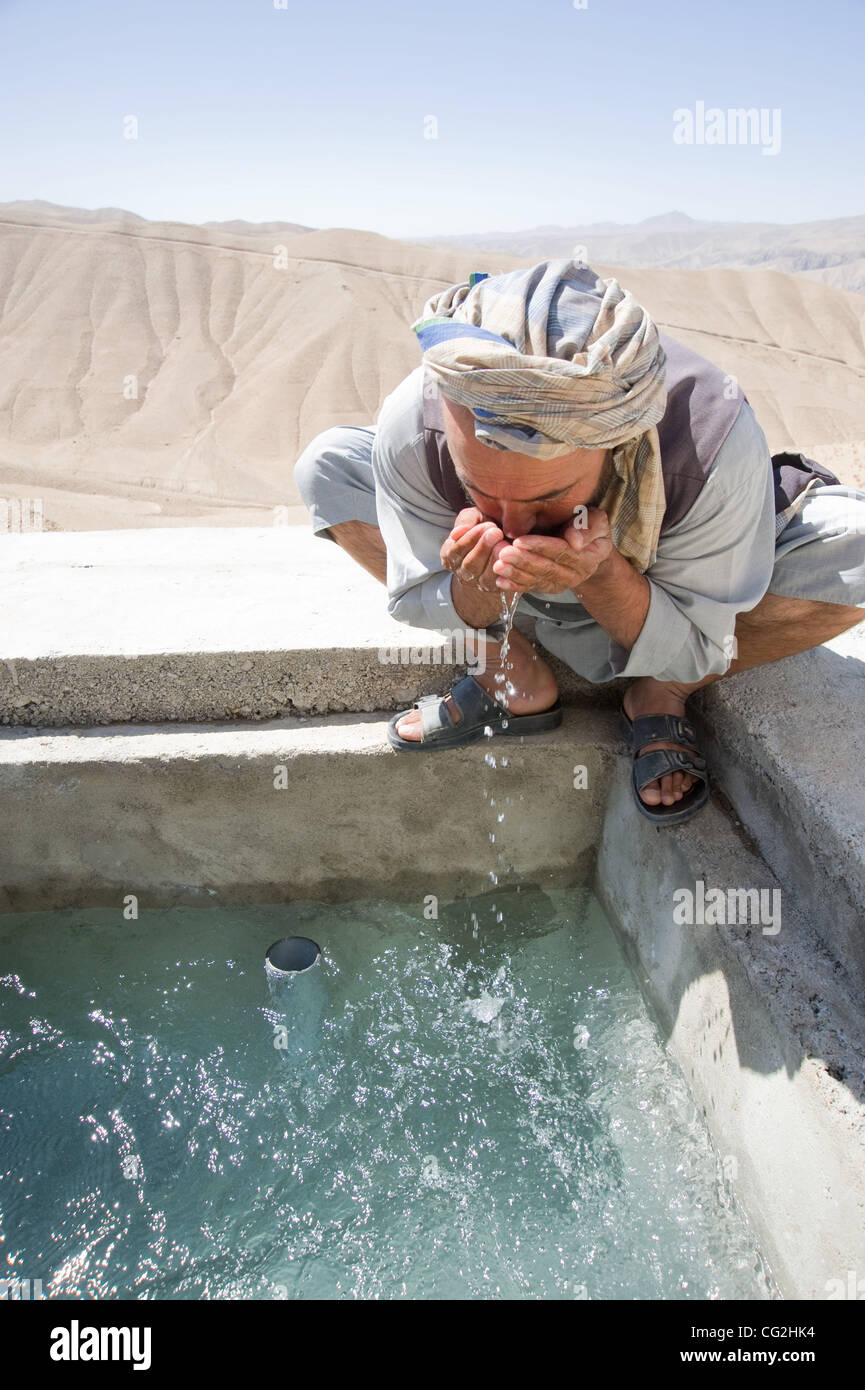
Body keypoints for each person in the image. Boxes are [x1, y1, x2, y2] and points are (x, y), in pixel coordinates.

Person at [295, 260, 865, 825]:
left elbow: (700, 642)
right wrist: (474, 587)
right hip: (516, 610)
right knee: (329, 465)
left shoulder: (713, 442)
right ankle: (507, 671)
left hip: (667, 589)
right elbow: (421, 592)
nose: (514, 528)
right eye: (481, 492)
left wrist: (600, 574)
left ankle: (661, 692)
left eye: (549, 498)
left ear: (616, 445)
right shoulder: (415, 421)